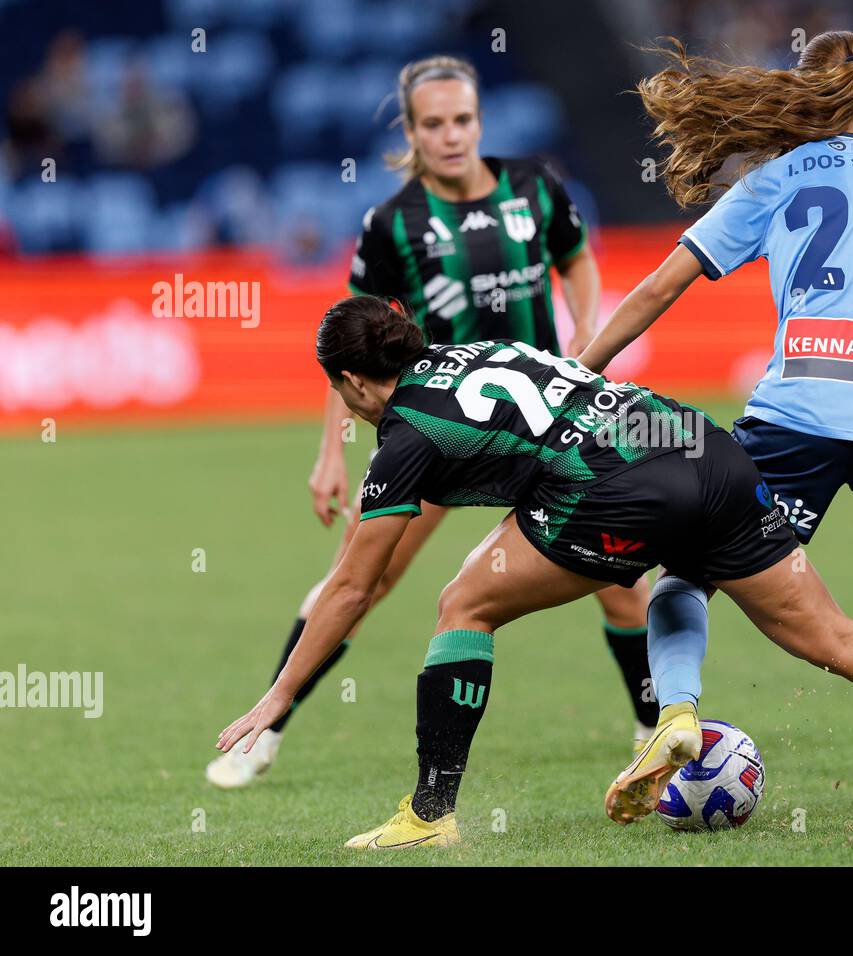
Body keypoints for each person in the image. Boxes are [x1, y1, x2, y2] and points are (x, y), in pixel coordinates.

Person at [215, 295, 853, 849]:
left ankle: (429, 815)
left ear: (353, 382)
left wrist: (279, 694)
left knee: (460, 605)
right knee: (834, 636)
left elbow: (356, 585)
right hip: (700, 446)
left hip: (616, 492)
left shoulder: (402, 438)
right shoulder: (486, 350)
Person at [578, 32, 853, 828]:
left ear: (803, 95)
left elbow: (658, 287)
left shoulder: (775, 176)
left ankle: (676, 714)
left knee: (688, 573)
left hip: (797, 419)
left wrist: (580, 373)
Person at [205, 55, 654, 791]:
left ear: (480, 120)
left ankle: (649, 723)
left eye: (464, 121)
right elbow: (349, 344)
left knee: (620, 582)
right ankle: (265, 732)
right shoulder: (392, 225)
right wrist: (331, 453)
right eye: (435, 124)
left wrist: (585, 338)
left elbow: (576, 260)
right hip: (436, 436)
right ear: (411, 132)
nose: (452, 136)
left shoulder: (537, 188)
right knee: (362, 579)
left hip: (537, 429)